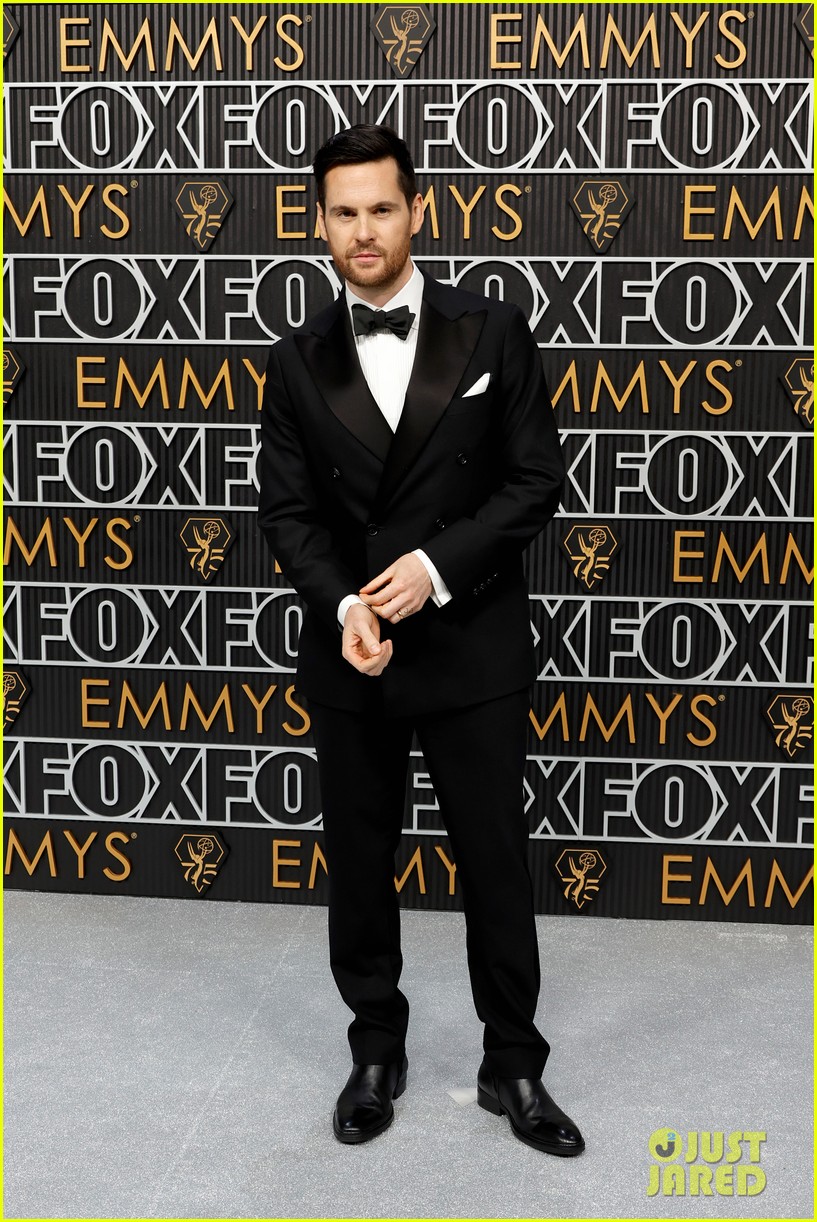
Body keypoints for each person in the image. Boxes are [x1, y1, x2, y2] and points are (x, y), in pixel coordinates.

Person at [258, 124, 583, 1157]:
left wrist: (437, 569)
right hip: (355, 652)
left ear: (417, 210)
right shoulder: (296, 359)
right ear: (319, 222)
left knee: (494, 864)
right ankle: (375, 1052)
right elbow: (289, 514)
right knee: (360, 865)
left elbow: (536, 479)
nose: (364, 231)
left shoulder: (493, 332)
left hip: (473, 645)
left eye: (381, 209)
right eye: (343, 212)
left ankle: (514, 1066)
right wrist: (346, 603)